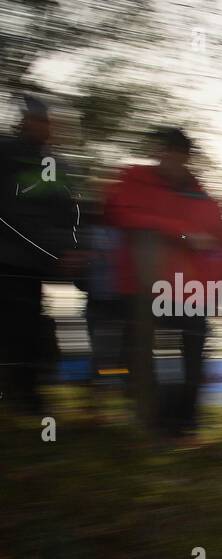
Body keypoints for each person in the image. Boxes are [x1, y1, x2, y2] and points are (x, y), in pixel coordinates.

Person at [102, 126, 222, 436]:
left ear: (185, 157)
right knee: (142, 352)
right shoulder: (134, 178)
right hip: (143, 287)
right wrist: (180, 231)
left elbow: (220, 240)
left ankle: (186, 422)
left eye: (175, 153)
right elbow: (120, 213)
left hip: (189, 291)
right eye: (163, 151)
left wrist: (215, 279)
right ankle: (149, 421)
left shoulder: (202, 196)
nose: (167, 158)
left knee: (194, 349)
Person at [0, 94, 79, 415]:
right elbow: (11, 212)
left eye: (49, 123)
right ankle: (20, 397)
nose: (47, 128)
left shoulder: (55, 165)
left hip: (34, 263)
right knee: (13, 328)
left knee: (31, 328)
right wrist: (54, 250)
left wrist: (69, 250)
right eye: (41, 121)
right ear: (26, 121)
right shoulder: (6, 153)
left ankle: (27, 398)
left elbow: (66, 211)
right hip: (8, 258)